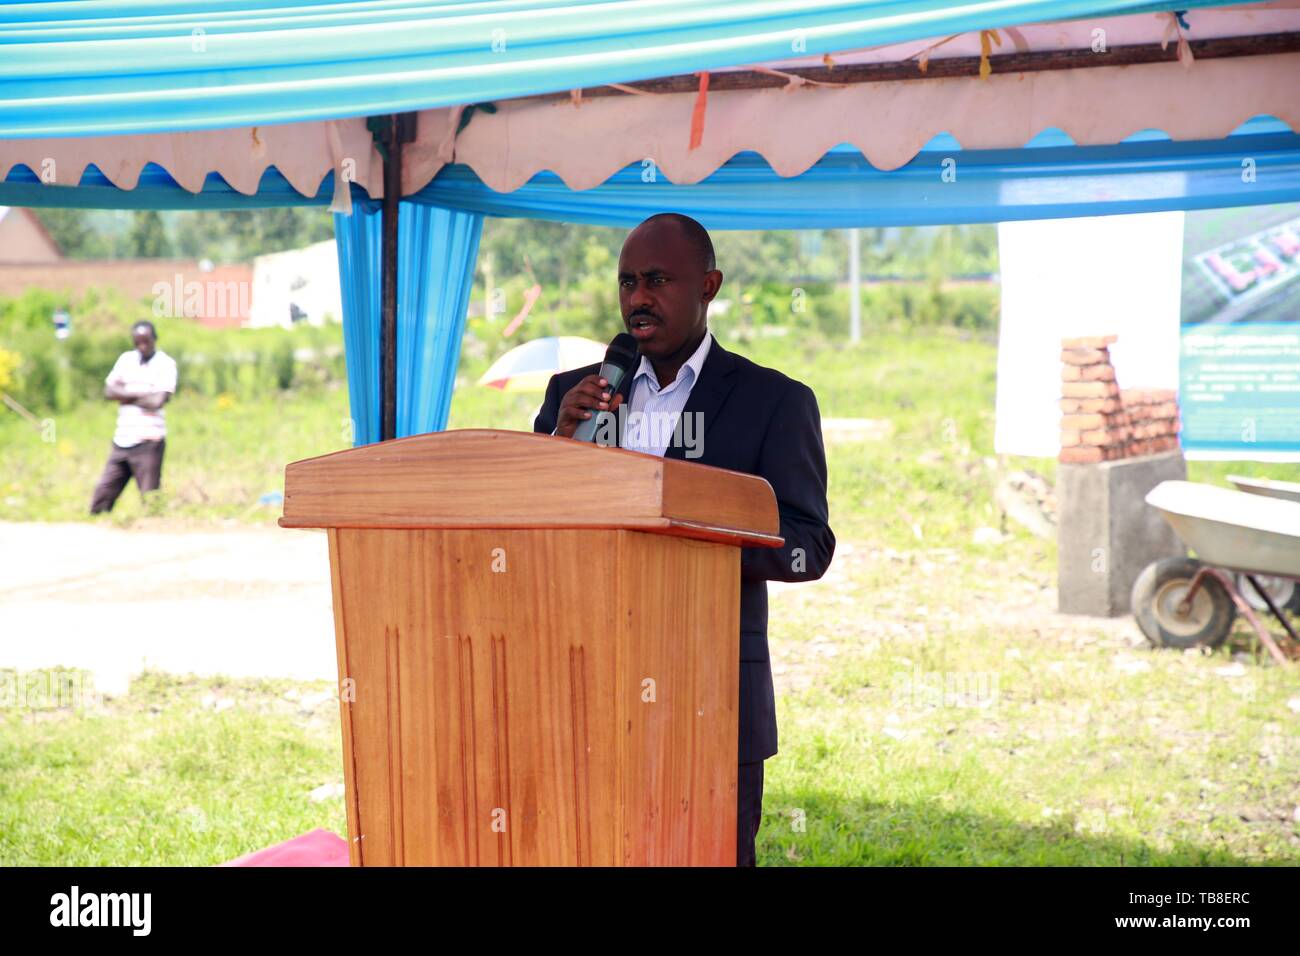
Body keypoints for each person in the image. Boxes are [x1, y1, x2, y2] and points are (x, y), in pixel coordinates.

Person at [533, 212, 836, 866]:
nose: (638, 298)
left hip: (711, 691)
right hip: (587, 686)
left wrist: (695, 535)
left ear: (708, 285)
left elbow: (810, 543)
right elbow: (533, 528)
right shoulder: (575, 396)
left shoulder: (773, 401)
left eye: (657, 280)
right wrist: (559, 442)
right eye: (627, 283)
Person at [89, 321, 177, 514]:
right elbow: (109, 391)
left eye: (146, 342)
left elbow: (157, 402)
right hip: (122, 440)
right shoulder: (126, 360)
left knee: (150, 499)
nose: (142, 346)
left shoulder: (165, 364)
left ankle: (155, 531)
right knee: (100, 500)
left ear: (154, 339)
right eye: (138, 342)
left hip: (149, 442)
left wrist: (126, 395)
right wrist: (144, 393)